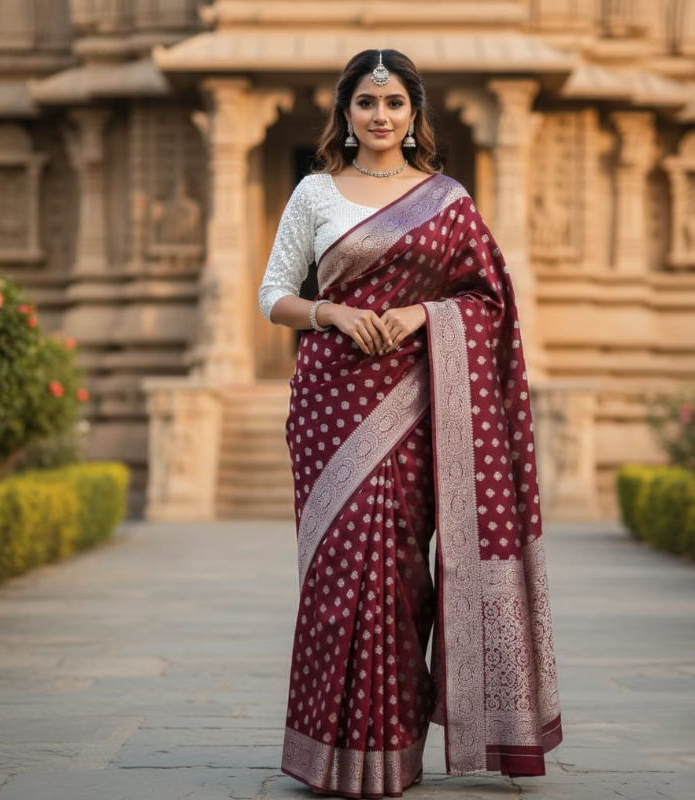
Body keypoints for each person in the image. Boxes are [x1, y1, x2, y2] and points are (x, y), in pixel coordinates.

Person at [259, 48, 563, 799]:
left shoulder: (448, 199)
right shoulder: (314, 194)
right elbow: (273, 293)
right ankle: (326, 751)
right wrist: (329, 310)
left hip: (419, 405)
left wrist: (418, 314)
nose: (381, 116)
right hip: (332, 402)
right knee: (337, 577)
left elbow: (489, 302)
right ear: (346, 113)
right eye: (367, 102)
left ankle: (392, 751)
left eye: (394, 103)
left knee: (398, 576)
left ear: (414, 114)